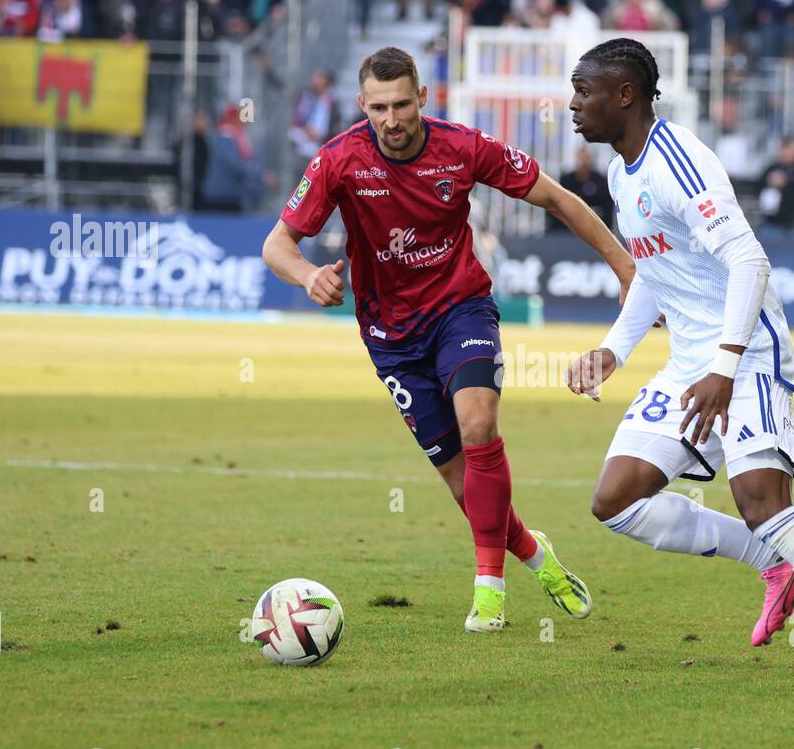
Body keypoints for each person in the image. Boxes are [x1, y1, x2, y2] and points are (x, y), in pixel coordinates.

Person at [565, 38, 794, 692]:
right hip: (692, 361)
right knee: (617, 500)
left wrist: (725, 367)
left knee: (763, 503)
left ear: (624, 95)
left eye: (583, 91)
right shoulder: (622, 173)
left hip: (746, 353)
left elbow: (749, 261)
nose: (572, 105)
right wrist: (614, 350)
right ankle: (774, 562)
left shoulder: (677, 161)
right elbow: (656, 269)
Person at [263, 47, 636, 633]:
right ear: (362, 105)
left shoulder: (462, 148)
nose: (391, 120)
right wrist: (309, 275)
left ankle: (489, 590)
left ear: (422, 98)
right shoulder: (338, 160)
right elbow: (277, 244)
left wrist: (625, 268)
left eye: (401, 105)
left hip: (461, 310)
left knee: (479, 423)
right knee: (466, 486)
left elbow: (558, 199)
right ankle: (533, 552)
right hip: (391, 338)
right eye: (378, 108)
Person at [557, 146, 614, 229]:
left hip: (596, 223)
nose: (583, 162)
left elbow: (607, 205)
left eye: (586, 158)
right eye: (581, 159)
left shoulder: (600, 180)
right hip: (569, 226)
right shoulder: (566, 180)